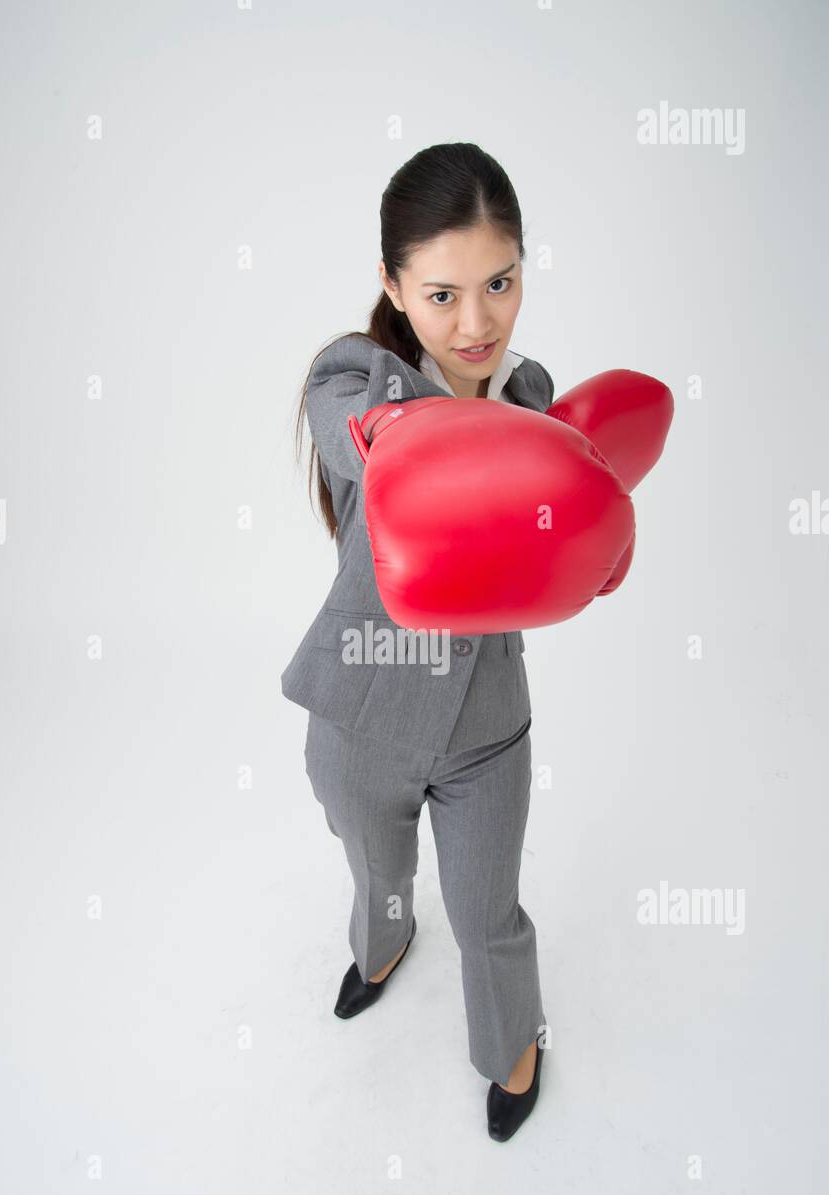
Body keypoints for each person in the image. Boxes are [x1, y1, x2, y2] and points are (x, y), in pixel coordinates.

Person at [281, 142, 555, 1141]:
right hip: (361, 712)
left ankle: (514, 1043)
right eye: (441, 294)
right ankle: (383, 946)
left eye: (500, 283)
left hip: (487, 721)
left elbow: (555, 544)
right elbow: (387, 444)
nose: (476, 322)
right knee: (379, 874)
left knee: (490, 911)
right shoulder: (351, 378)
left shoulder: (535, 398)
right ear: (392, 285)